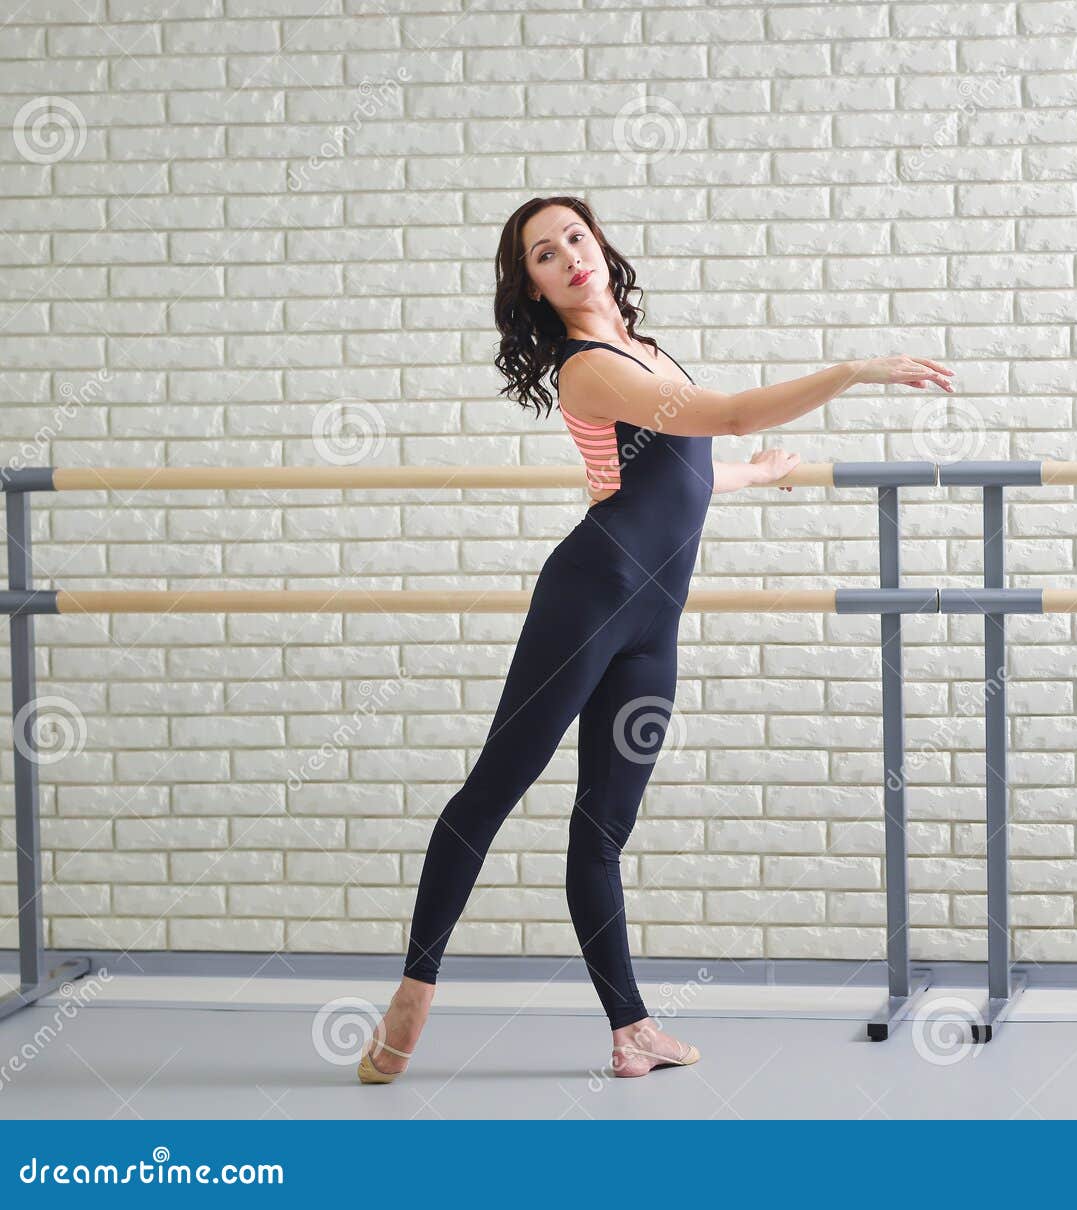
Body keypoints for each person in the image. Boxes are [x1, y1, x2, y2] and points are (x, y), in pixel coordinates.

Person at [358, 194, 953, 1082]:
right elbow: (731, 414)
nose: (567, 256)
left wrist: (750, 477)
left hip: (651, 624)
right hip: (587, 600)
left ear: (598, 247)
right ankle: (415, 987)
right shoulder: (588, 367)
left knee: (603, 827)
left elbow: (673, 475)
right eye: (543, 254)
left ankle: (630, 1031)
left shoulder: (645, 350)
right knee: (492, 793)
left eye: (574, 238)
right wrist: (854, 371)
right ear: (533, 285)